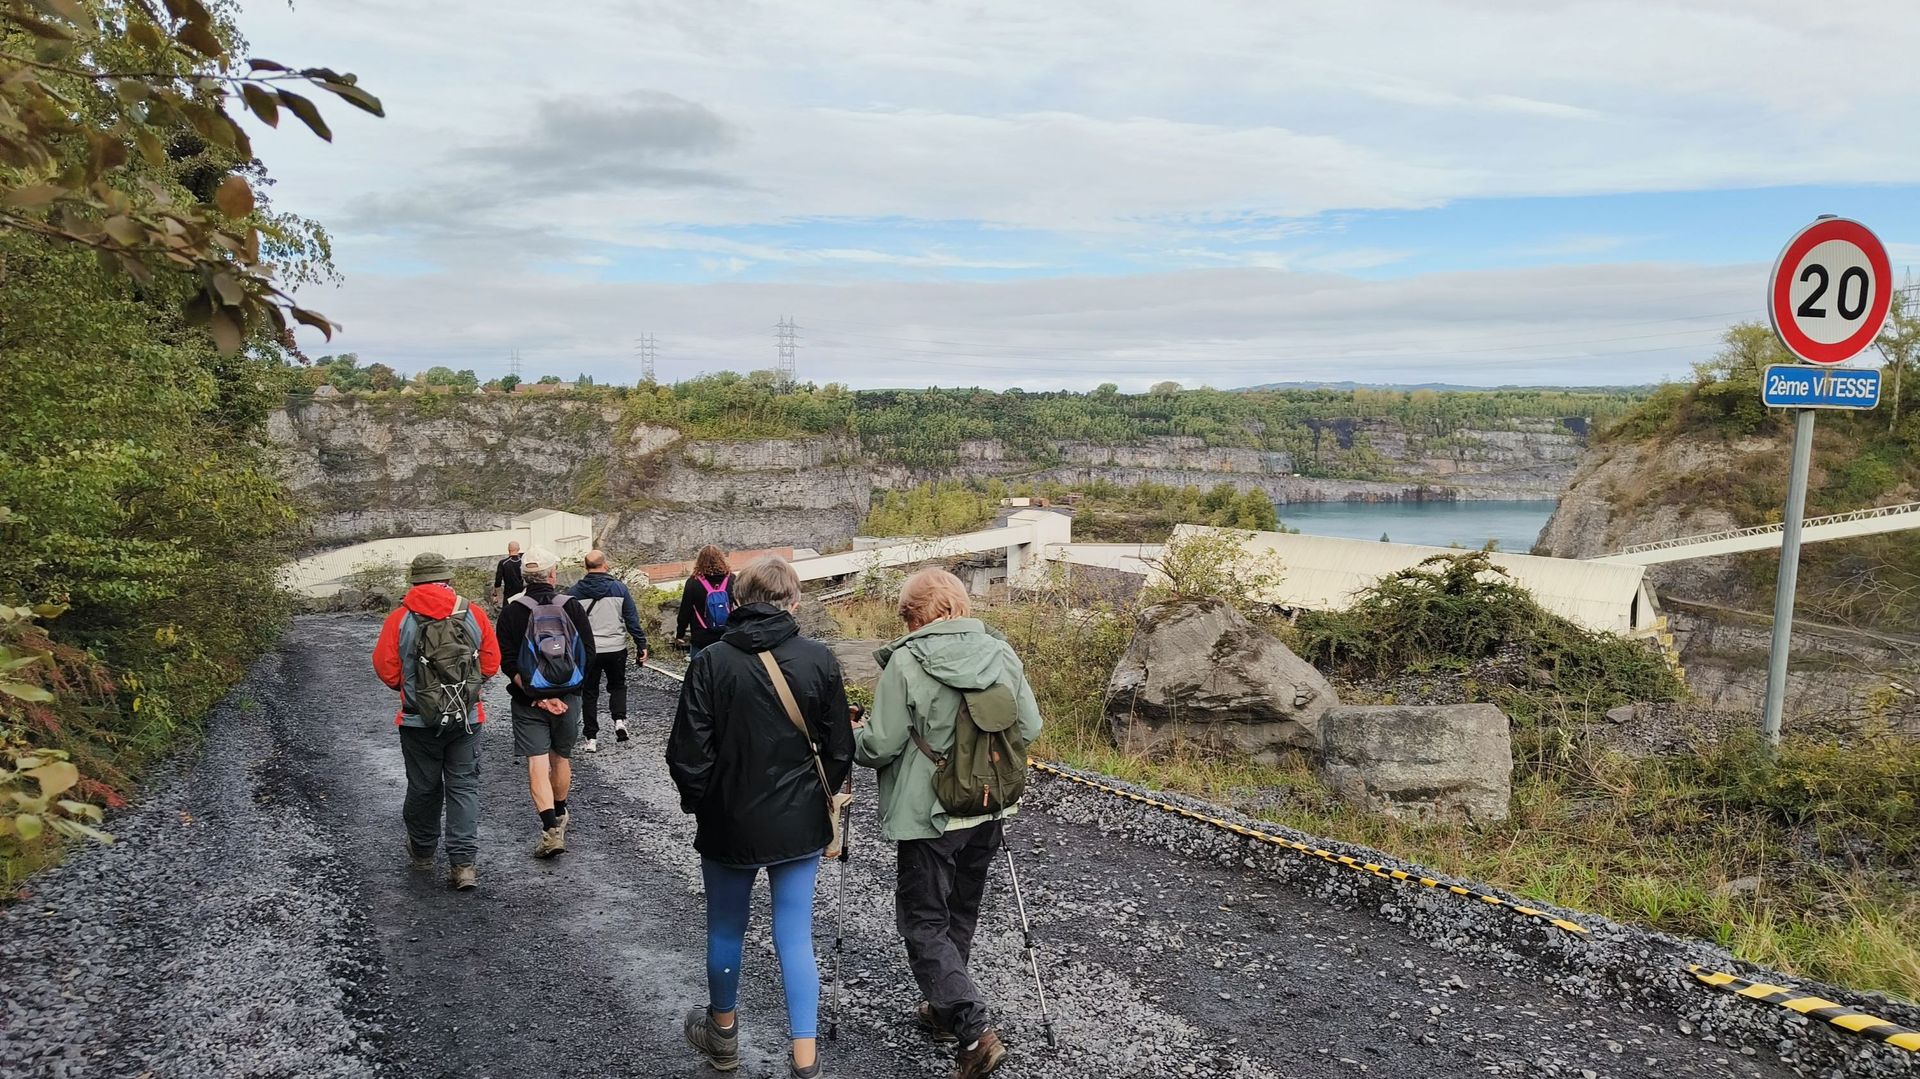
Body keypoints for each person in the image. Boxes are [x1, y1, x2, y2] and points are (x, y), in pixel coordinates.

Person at [853, 568, 1043, 1079]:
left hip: (928, 812)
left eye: (907, 616)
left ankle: (974, 1030)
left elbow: (880, 745)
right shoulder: (1001, 653)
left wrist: (850, 737)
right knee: (960, 908)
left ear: (916, 616)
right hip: (988, 803)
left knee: (922, 920)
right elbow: (1030, 726)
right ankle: (944, 1010)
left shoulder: (907, 661)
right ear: (957, 604)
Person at [668, 556, 852, 1079]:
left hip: (728, 822)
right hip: (798, 824)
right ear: (794, 601)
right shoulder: (819, 658)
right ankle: (805, 1061)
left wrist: (702, 804)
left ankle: (722, 1036)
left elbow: (686, 753)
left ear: (739, 601)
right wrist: (820, 799)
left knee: (726, 930)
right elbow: (840, 749)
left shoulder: (711, 661)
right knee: (794, 936)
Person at [371, 552, 501, 892]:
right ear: (448, 578)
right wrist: (463, 690)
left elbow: (387, 670)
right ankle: (463, 865)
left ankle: (424, 850)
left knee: (423, 786)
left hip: (418, 722)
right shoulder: (473, 614)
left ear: (414, 581)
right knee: (464, 787)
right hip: (467, 719)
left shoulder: (399, 618)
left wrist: (416, 689)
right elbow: (490, 664)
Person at [495, 547, 595, 859]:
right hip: (569, 697)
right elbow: (588, 653)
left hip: (528, 700)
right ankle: (561, 813)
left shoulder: (512, 610)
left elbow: (507, 662)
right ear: (553, 575)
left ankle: (549, 828)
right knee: (560, 757)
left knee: (536, 761)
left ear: (524, 576)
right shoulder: (571, 606)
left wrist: (537, 696)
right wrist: (564, 691)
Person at [565, 549, 650, 753]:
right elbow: (631, 621)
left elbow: (569, 625)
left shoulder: (573, 592)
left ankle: (591, 738)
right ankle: (619, 721)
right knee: (617, 685)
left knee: (590, 692)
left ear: (585, 567)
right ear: (606, 565)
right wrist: (641, 645)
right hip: (616, 648)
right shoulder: (620, 589)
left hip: (589, 650)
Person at [674, 544, 733, 663]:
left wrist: (680, 634)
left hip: (701, 638)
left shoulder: (693, 582)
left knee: (699, 674)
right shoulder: (732, 579)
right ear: (721, 559)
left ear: (699, 561)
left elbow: (685, 612)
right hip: (725, 637)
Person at [492, 540, 525, 607]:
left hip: (509, 595)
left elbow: (498, 581)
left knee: (507, 614)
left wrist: (495, 595)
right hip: (522, 595)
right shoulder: (523, 562)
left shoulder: (503, 563)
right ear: (518, 549)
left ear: (508, 549)